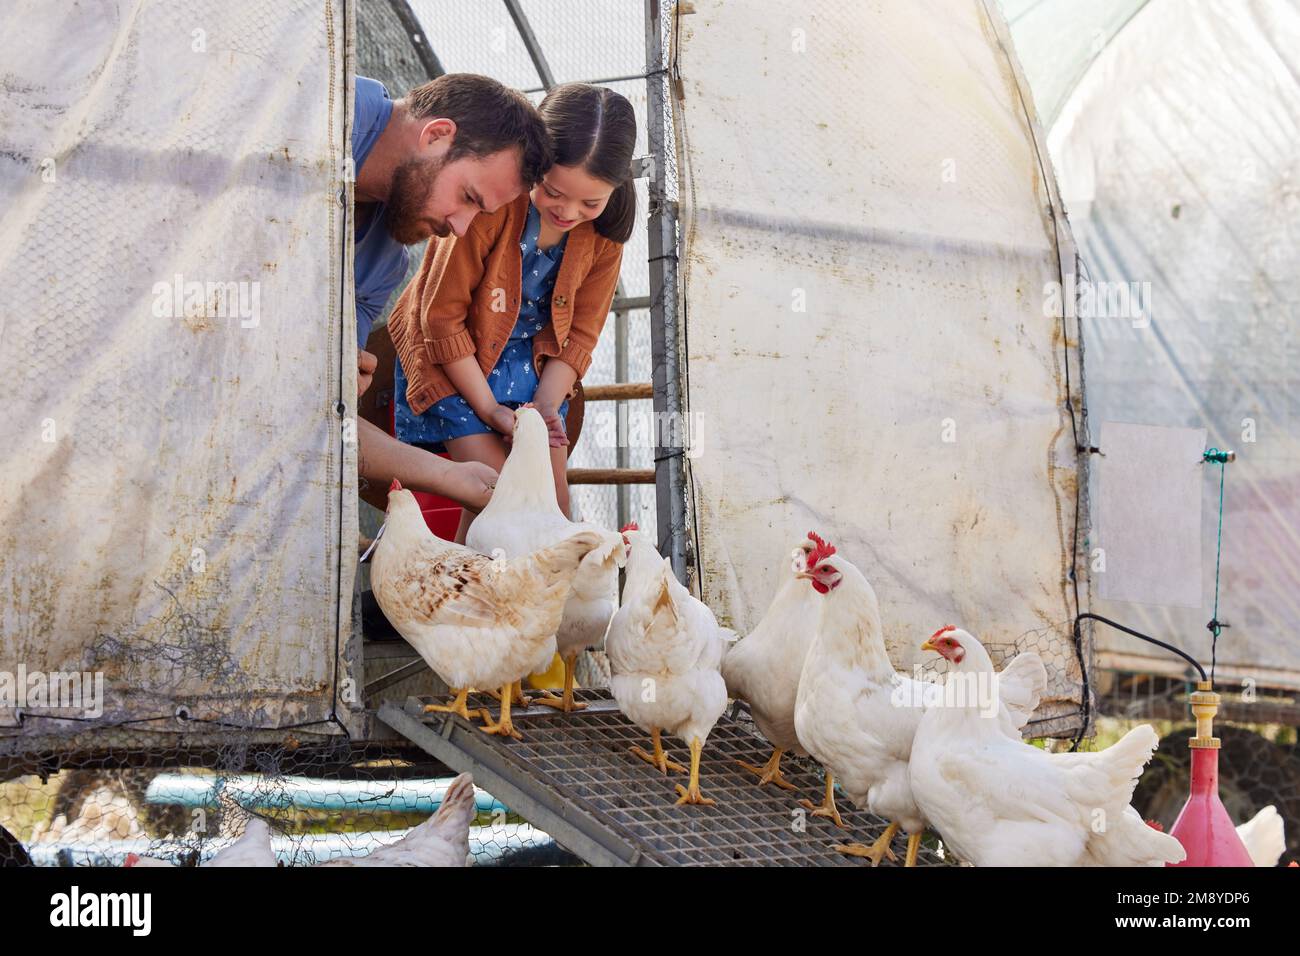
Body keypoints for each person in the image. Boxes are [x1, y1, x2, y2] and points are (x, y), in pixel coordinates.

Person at [388, 84, 638, 541]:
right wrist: (491, 410)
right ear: (535, 164)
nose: (568, 211)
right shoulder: (493, 203)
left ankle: (517, 606)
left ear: (615, 190)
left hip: (534, 370)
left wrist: (543, 410)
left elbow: (580, 335)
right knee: (500, 495)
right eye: (553, 192)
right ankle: (462, 605)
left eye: (591, 202)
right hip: (454, 358)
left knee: (553, 508)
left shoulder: (604, 236)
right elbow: (440, 318)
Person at [349, 72, 552, 509]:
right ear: (437, 135)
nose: (460, 228)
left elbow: (325, 423)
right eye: (468, 198)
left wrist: (450, 476)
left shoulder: (382, 266)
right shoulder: (318, 105)